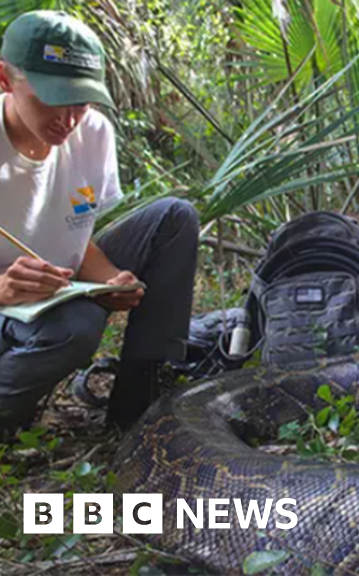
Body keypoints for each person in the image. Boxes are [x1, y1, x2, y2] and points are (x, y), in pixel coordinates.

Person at [0, 11, 199, 434]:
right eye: (52, 98)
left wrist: (111, 280)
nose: (68, 119)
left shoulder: (93, 133)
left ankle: (139, 406)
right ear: (4, 79)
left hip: (58, 285)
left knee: (174, 218)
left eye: (81, 100)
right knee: (77, 327)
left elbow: (75, 235)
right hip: (9, 304)